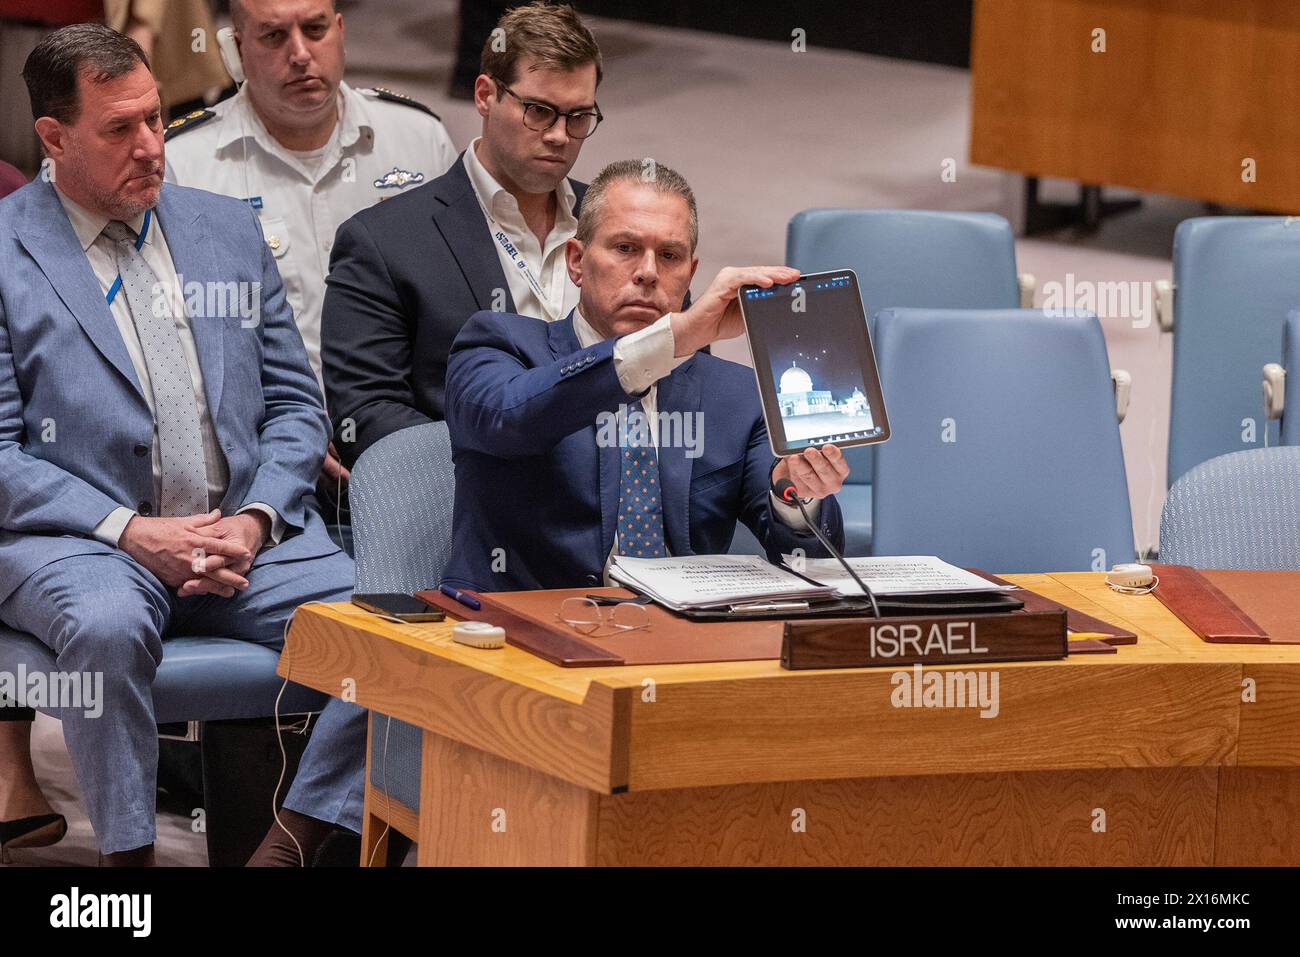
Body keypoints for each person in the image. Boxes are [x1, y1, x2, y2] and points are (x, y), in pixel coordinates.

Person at [0, 23, 362, 865]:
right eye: (119, 129)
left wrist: (258, 517)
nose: (152, 146)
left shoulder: (226, 230)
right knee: (108, 625)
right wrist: (131, 531)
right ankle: (129, 866)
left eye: (156, 118)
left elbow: (295, 408)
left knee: (384, 633)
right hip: (84, 541)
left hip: (240, 533)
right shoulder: (7, 252)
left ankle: (292, 836)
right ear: (54, 139)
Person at [441, 160, 848, 593]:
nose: (648, 272)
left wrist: (798, 494)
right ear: (576, 262)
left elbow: (809, 563)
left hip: (681, 640)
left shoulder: (738, 394)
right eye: (625, 248)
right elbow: (512, 419)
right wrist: (673, 338)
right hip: (523, 632)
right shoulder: (501, 344)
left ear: (690, 275)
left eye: (669, 256)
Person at [166, 0, 458, 538]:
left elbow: (452, 309)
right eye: (274, 37)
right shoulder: (186, 165)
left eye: (315, 29)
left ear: (341, 32)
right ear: (235, 49)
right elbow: (184, 341)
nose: (300, 54)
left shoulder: (419, 138)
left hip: (410, 434)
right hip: (262, 455)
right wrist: (293, 435)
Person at [321, 1, 603, 470]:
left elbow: (681, 372)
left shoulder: (620, 227)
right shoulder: (382, 243)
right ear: (485, 95)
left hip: (623, 501)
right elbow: (366, 415)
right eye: (539, 111)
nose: (559, 135)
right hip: (474, 509)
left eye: (578, 117)